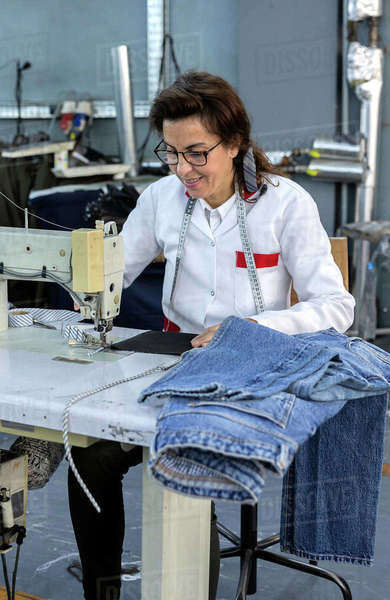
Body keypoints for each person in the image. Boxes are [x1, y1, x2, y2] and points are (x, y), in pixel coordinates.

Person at [68, 70, 355, 600]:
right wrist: (82, 295)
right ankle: (100, 591)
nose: (183, 169)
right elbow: (111, 274)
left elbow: (337, 306)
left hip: (257, 360)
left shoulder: (286, 203)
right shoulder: (161, 199)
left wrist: (248, 329)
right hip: (178, 352)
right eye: (172, 154)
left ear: (235, 142)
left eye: (197, 153)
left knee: (183, 457)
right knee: (87, 452)